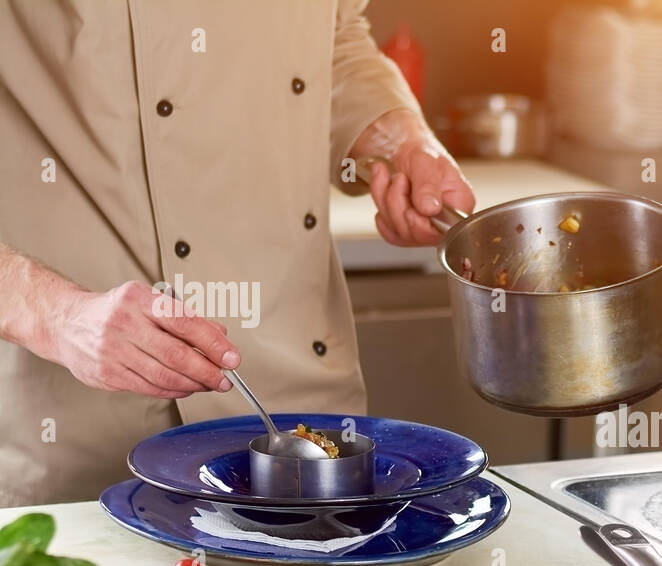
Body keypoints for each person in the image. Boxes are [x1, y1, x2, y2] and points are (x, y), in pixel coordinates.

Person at [0, 0, 475, 506]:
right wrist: (52, 312)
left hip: (299, 399)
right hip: (77, 415)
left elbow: (334, 42)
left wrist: (400, 142)